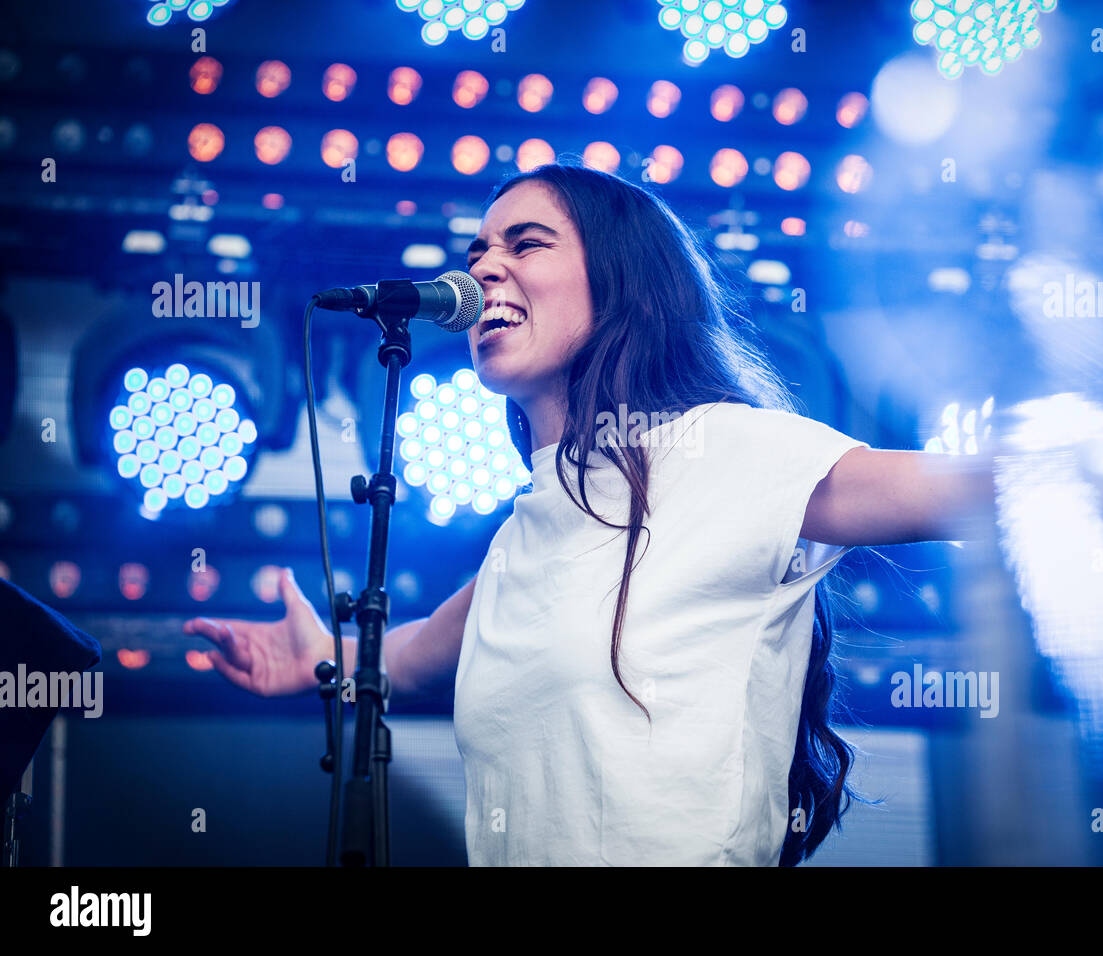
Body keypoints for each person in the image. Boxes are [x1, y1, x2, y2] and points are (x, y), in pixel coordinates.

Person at [183, 162, 995, 866]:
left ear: (622, 281)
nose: (483, 269)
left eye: (525, 244)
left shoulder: (727, 451)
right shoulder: (525, 534)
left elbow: (966, 488)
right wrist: (322, 656)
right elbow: (409, 656)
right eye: (478, 253)